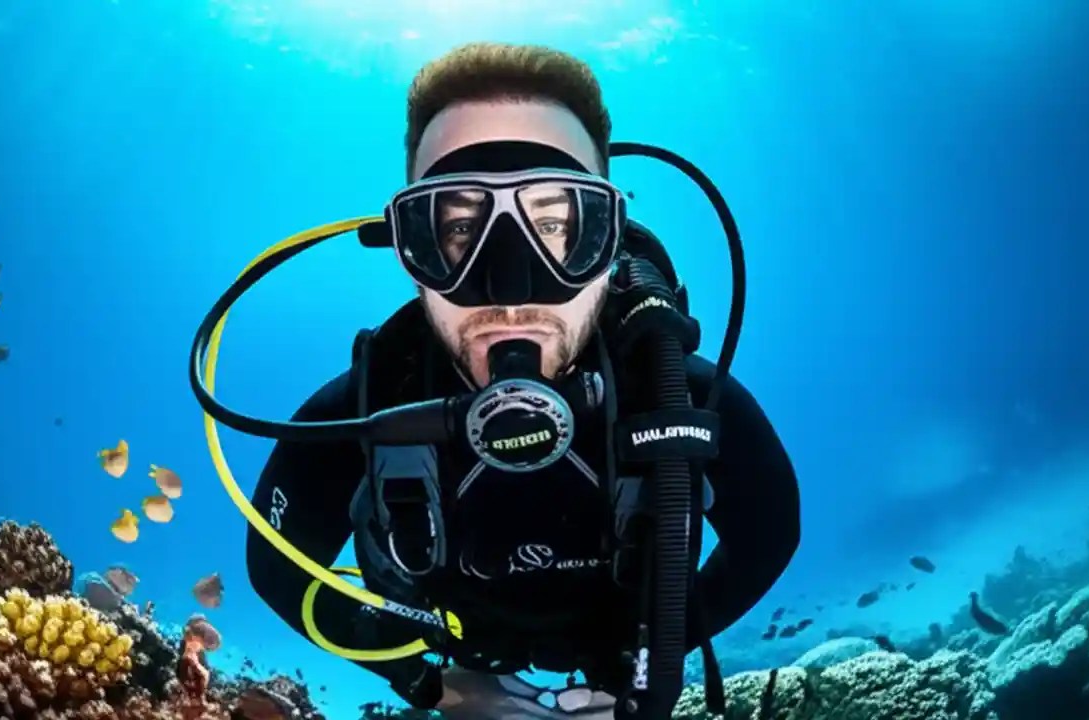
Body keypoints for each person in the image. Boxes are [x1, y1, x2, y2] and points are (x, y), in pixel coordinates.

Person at [244, 42, 801, 717]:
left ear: (608, 240)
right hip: (460, 652)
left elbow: (771, 535)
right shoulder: (370, 409)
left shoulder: (678, 402)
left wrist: (647, 655)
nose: (510, 290)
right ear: (411, 251)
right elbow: (275, 569)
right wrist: (425, 682)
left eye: (556, 223)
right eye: (457, 227)